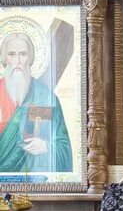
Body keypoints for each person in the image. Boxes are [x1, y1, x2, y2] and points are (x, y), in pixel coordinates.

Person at [0, 24, 74, 174]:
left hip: (35, 179)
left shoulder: (45, 97)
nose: (17, 61)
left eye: (23, 54)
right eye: (12, 54)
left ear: (31, 58)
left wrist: (46, 146)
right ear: (4, 59)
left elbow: (63, 146)